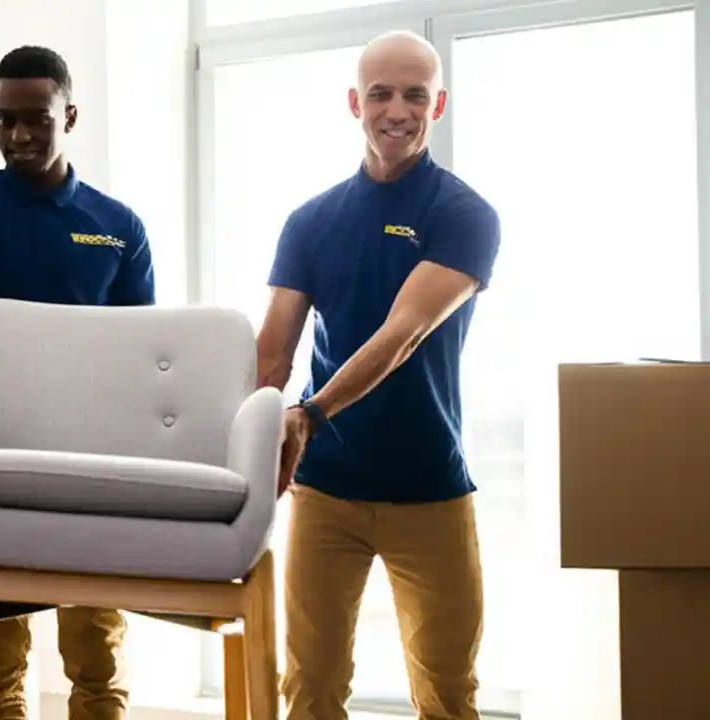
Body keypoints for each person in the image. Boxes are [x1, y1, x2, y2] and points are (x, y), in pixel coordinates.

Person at [255, 30, 501, 720]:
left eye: (415, 95)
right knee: (309, 691)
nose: (397, 110)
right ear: (355, 103)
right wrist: (231, 444)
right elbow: (272, 355)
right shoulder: (311, 221)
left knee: (449, 696)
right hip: (326, 491)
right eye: (382, 94)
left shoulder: (464, 214)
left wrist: (311, 411)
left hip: (432, 491)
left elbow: (404, 332)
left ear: (439, 104)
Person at [0, 45, 155, 720]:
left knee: (96, 655)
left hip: (92, 459)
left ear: (69, 115)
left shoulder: (117, 228)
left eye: (36, 120)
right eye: (4, 120)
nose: (19, 135)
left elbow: (141, 347)